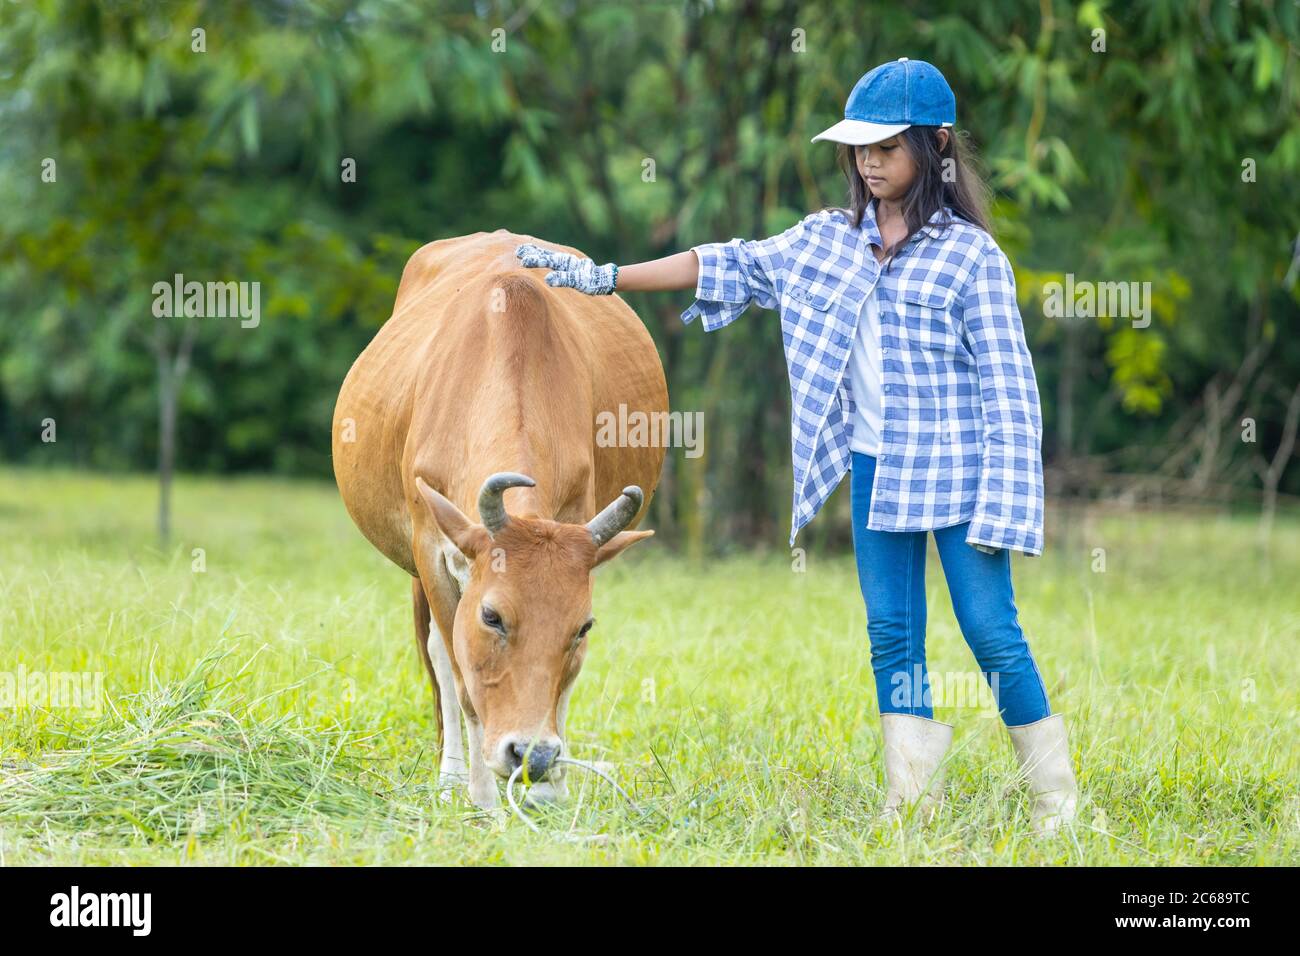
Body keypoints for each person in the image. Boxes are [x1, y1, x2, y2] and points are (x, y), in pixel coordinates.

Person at [516, 58, 1079, 835]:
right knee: (891, 632)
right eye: (858, 148)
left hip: (961, 470)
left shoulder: (972, 258)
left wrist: (1006, 506)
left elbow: (1012, 393)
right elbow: (726, 262)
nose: (868, 161)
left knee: (989, 631)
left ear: (936, 144)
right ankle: (912, 799)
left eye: (886, 146)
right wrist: (606, 276)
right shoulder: (827, 241)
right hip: (881, 469)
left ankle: (1056, 800)